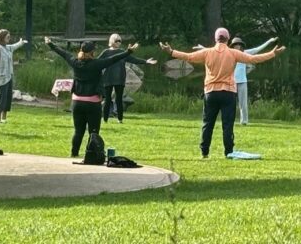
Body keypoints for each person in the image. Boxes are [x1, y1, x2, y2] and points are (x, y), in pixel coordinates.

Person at [159, 28, 286, 159]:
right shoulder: (233, 53)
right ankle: (228, 151)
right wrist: (273, 53)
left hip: (211, 92)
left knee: (208, 123)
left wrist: (171, 51)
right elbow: (253, 59)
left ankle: (205, 152)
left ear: (215, 39)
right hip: (228, 93)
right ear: (228, 39)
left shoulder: (207, 52)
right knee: (227, 124)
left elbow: (189, 56)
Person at [45, 36, 138, 157]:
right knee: (93, 132)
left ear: (81, 51)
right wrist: (128, 52)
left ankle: (74, 154)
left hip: (77, 102)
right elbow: (113, 59)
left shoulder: (75, 62)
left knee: (78, 131)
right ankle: (92, 154)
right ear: (92, 52)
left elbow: (63, 53)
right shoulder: (97, 64)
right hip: (93, 103)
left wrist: (50, 44)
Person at [100, 32, 157, 124]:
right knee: (107, 100)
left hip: (120, 79)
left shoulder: (123, 52)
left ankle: (120, 119)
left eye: (120, 40)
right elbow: (98, 62)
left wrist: (146, 61)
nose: (119, 42)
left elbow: (134, 59)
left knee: (118, 99)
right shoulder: (106, 52)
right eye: (117, 40)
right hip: (108, 78)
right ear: (112, 41)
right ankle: (105, 119)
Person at [231, 35, 277, 125]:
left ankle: (244, 121)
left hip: (242, 81)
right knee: (230, 103)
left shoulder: (245, 53)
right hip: (231, 82)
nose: (237, 46)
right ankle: (230, 120)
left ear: (241, 45)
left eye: (238, 44)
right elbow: (216, 52)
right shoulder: (229, 53)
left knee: (243, 103)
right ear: (232, 46)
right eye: (235, 44)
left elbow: (257, 49)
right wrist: (203, 48)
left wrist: (269, 41)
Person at [0, 29, 27, 124]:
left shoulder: (8, 47)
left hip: (9, 75)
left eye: (9, 36)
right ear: (1, 38)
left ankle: (4, 118)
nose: (9, 38)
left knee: (8, 98)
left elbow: (15, 46)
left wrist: (21, 42)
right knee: (2, 98)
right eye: (7, 37)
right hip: (2, 77)